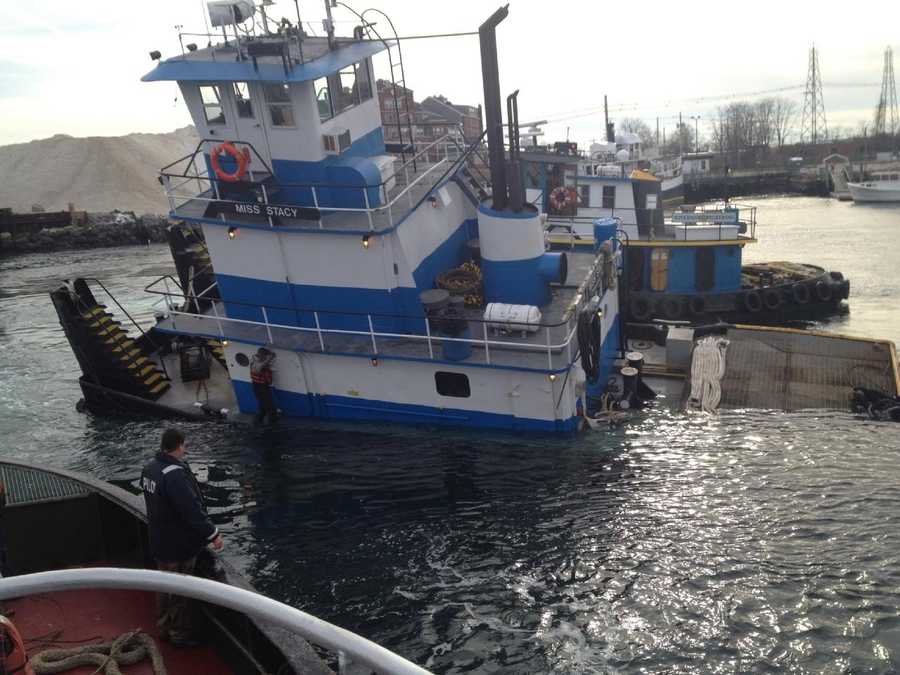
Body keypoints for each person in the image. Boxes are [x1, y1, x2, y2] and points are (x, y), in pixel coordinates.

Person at [140, 428, 223, 647]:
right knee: (180, 590)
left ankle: (162, 627)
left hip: (159, 540)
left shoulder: (149, 469)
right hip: (178, 545)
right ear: (179, 446)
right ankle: (179, 634)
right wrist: (212, 534)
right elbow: (191, 509)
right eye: (184, 445)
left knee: (163, 586)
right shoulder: (173, 474)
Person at [250, 348, 278, 425]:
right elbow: (260, 367)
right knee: (270, 408)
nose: (266, 358)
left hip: (262, 386)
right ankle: (272, 424)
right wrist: (270, 358)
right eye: (265, 356)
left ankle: (258, 422)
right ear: (261, 355)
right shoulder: (255, 365)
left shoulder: (256, 362)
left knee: (263, 407)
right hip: (260, 387)